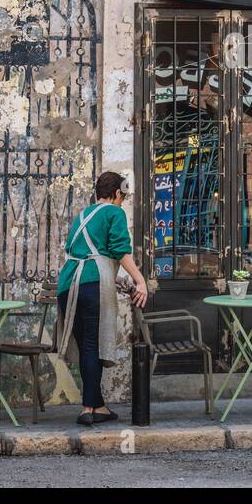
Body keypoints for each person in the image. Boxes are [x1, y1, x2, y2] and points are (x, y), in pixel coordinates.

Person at [59, 171, 148, 426]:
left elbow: (87, 252)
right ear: (118, 193)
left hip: (68, 285)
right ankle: (88, 408)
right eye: (123, 197)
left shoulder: (83, 215)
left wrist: (118, 280)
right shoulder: (114, 212)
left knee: (87, 346)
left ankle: (97, 405)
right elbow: (120, 250)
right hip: (91, 285)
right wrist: (140, 281)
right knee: (93, 346)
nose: (123, 202)